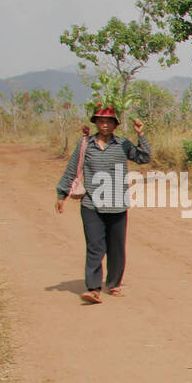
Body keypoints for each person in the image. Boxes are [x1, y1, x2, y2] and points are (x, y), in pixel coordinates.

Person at [54, 107, 149, 303]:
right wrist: (61, 194)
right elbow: (72, 169)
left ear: (115, 125)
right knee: (95, 246)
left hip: (117, 205)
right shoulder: (85, 145)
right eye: (100, 121)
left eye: (109, 121)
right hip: (92, 205)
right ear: (95, 123)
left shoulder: (123, 144)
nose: (104, 125)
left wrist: (141, 134)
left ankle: (114, 284)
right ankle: (94, 288)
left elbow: (144, 157)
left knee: (116, 248)